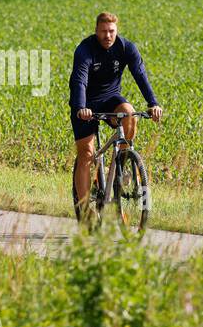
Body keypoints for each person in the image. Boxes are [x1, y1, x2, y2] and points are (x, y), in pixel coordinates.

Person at [69, 12, 161, 213]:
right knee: (86, 154)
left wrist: (153, 103)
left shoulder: (126, 48)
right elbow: (79, 81)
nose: (107, 36)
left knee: (129, 112)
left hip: (110, 99)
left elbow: (140, 74)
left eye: (111, 31)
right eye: (103, 32)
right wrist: (80, 107)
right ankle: (84, 210)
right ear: (96, 31)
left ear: (116, 31)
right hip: (85, 103)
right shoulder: (85, 50)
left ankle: (119, 162)